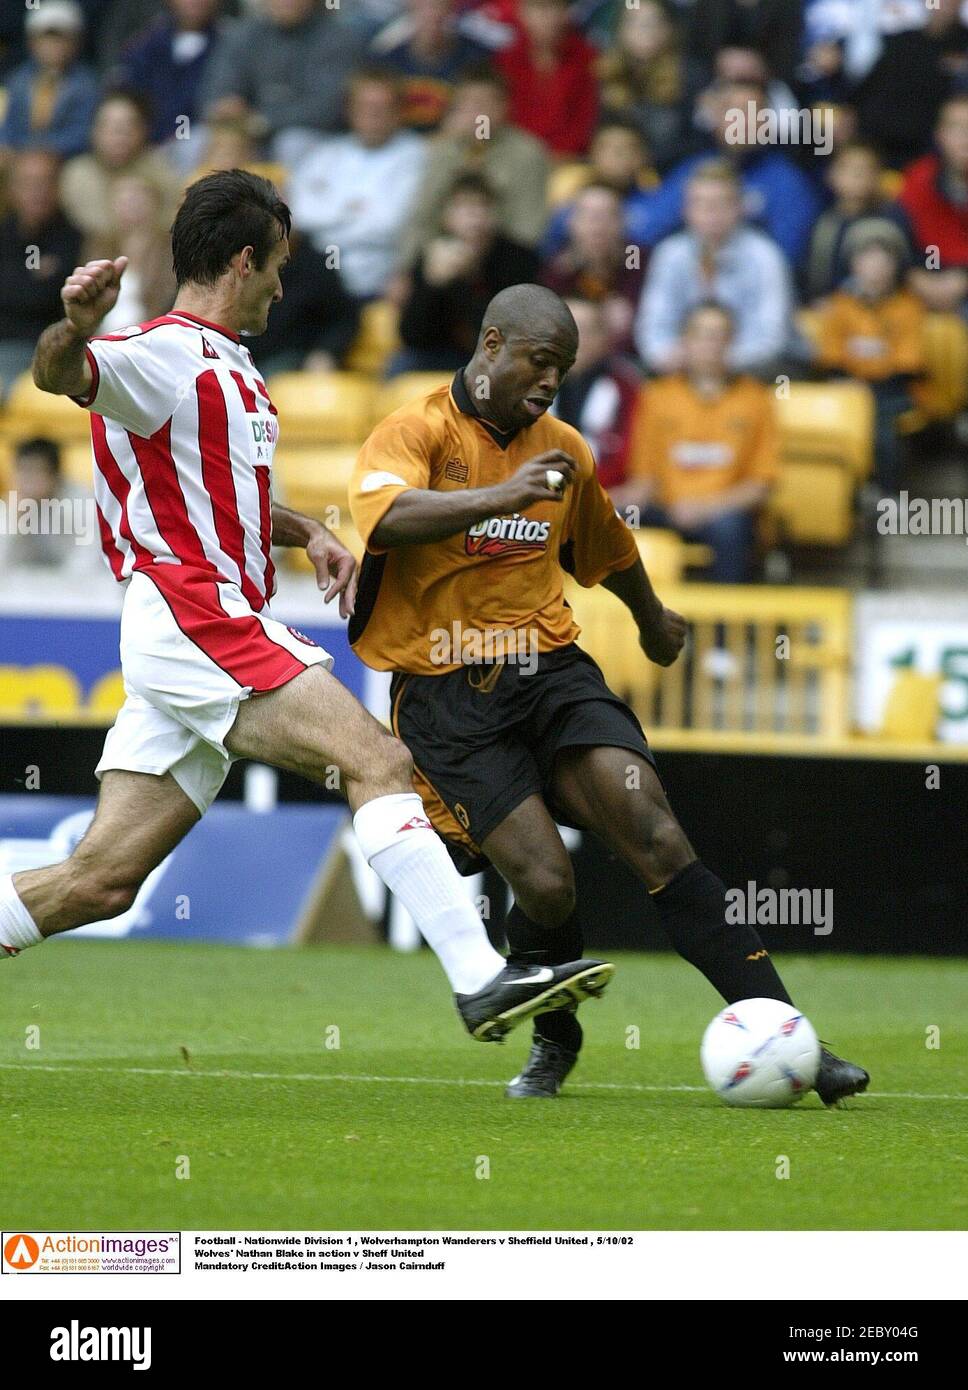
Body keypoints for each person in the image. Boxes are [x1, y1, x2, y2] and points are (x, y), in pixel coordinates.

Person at [0, 170, 613, 1050]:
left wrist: (306, 534)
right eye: (279, 266)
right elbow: (64, 374)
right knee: (377, 759)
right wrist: (75, 326)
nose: (287, 286)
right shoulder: (162, 354)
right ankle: (482, 979)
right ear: (244, 261)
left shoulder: (229, 370)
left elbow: (219, 494)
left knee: (101, 883)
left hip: (189, 629)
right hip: (195, 615)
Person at [347, 280, 869, 1104]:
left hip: (550, 669)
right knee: (548, 884)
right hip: (447, 693)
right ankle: (557, 1039)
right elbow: (385, 519)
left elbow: (610, 548)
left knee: (653, 827)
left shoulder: (565, 449)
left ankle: (790, 1036)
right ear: (491, 347)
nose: (552, 380)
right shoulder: (412, 430)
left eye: (565, 366)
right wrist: (503, 496)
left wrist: (656, 620)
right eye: (540, 361)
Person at [620, 301, 777, 582]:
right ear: (686, 340)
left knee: (730, 528)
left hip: (724, 512)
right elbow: (644, 476)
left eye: (721, 336)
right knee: (614, 519)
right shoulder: (656, 396)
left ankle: (725, 621)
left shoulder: (756, 399)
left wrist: (704, 508)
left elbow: (761, 485)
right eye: (703, 335)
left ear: (732, 343)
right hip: (666, 509)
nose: (712, 345)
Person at [635, 160, 793, 378]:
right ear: (686, 210)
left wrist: (714, 362)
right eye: (700, 203)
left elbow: (771, 338)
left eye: (720, 203)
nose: (710, 212)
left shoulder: (765, 256)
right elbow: (652, 328)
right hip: (682, 369)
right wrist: (666, 355)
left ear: (740, 208)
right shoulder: (669, 254)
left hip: (749, 372)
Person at [289, 68, 428, 303]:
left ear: (398, 112)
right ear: (350, 110)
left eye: (382, 108)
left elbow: (389, 224)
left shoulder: (417, 155)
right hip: (317, 268)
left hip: (377, 273)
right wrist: (350, 211)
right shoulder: (325, 154)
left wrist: (329, 215)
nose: (373, 115)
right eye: (365, 107)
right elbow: (299, 214)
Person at [395, 62, 550, 271]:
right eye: (467, 104)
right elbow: (423, 217)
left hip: (503, 262)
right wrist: (406, 268)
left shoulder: (527, 154)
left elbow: (528, 228)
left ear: (503, 107)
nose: (476, 114)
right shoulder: (442, 152)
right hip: (442, 259)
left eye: (482, 104)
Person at [813, 225, 926, 495]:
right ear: (853, 264)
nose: (875, 267)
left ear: (896, 266)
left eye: (884, 259)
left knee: (881, 429)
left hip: (892, 390)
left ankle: (889, 493)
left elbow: (908, 361)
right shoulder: (840, 306)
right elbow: (829, 354)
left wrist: (870, 383)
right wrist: (847, 380)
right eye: (867, 258)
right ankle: (841, 495)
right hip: (846, 387)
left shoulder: (908, 307)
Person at [391, 172, 539, 375]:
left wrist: (465, 280)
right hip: (438, 354)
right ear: (446, 217)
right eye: (464, 209)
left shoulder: (519, 259)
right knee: (401, 364)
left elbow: (502, 338)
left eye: (484, 207)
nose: (475, 218)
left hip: (497, 359)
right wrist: (432, 285)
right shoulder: (432, 256)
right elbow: (411, 336)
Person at [198, 0, 366, 168]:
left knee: (292, 143)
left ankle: (285, 195)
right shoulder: (245, 32)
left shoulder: (336, 38)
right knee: (194, 143)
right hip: (244, 131)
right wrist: (223, 105)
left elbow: (327, 109)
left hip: (314, 135)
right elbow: (216, 87)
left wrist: (262, 120)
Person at [0, 149, 84, 398]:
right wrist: (35, 280)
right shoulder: (3, 235)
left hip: (53, 350)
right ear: (11, 189)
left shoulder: (75, 238)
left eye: (46, 182)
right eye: (28, 183)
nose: (38, 192)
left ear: (58, 187)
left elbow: (52, 300)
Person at [60, 89, 183, 241]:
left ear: (143, 130)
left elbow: (175, 219)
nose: (119, 135)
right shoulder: (77, 173)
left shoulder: (161, 168)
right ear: (94, 130)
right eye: (110, 126)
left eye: (128, 126)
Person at [540, 181, 645, 356]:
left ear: (623, 222)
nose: (597, 227)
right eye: (589, 216)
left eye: (607, 216)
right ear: (572, 222)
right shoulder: (560, 268)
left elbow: (630, 307)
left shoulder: (633, 256)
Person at [804, 141, 915, 302]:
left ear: (879, 176)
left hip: (887, 306)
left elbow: (906, 269)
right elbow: (813, 274)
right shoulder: (823, 224)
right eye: (848, 169)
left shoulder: (892, 220)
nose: (857, 175)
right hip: (832, 308)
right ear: (831, 175)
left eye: (865, 170)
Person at [551, 297, 642, 492]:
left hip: (605, 496)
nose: (574, 338)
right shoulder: (525, 385)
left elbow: (629, 456)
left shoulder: (626, 388)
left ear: (604, 337)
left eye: (584, 329)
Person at [494, 0, 599, 159]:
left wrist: (559, 156)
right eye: (538, 8)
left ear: (566, 14)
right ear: (521, 13)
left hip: (569, 159)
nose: (546, 17)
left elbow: (587, 120)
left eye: (553, 8)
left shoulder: (589, 59)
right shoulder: (505, 60)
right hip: (513, 156)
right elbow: (500, 117)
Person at [369, 0, 491, 133]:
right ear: (411, 6)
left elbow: (485, 116)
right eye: (425, 6)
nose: (432, 14)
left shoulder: (474, 57)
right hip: (400, 145)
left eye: (439, 5)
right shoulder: (387, 58)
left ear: (452, 9)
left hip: (456, 142)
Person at [0, 0, 99, 164]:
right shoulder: (18, 79)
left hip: (64, 159)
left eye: (60, 40)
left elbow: (82, 133)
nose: (53, 47)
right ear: (32, 43)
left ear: (75, 43)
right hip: (19, 155)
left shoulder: (86, 85)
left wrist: (42, 150)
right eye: (46, 39)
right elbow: (8, 125)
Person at [900, 93, 968, 315]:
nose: (965, 137)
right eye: (957, 128)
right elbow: (897, 236)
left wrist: (963, 279)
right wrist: (916, 276)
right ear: (940, 135)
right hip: (920, 283)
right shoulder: (919, 179)